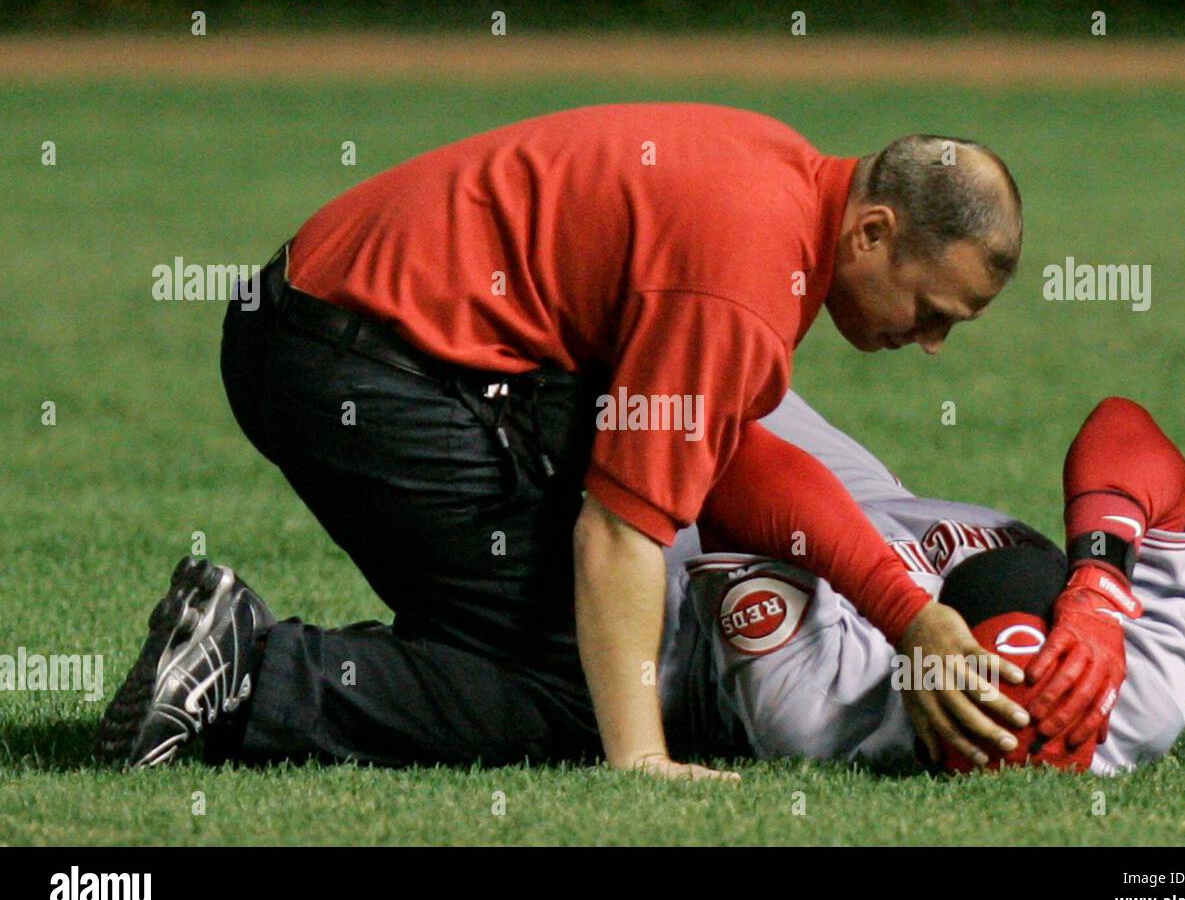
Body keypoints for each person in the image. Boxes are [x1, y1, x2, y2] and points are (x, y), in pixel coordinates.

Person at [97, 104, 1027, 776]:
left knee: (545, 641)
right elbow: (617, 530)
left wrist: (911, 616)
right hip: (361, 360)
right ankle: (250, 668)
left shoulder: (779, 179)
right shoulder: (745, 278)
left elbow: (734, 461)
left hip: (345, 328)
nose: (934, 342)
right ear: (872, 231)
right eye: (933, 310)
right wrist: (642, 762)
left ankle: (290, 669)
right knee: (584, 687)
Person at [660, 394, 1185, 775]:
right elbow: (1123, 425)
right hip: (859, 489)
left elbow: (728, 463)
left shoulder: (824, 709)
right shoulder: (1139, 702)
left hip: (702, 563)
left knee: (661, 397)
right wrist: (1099, 586)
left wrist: (903, 616)